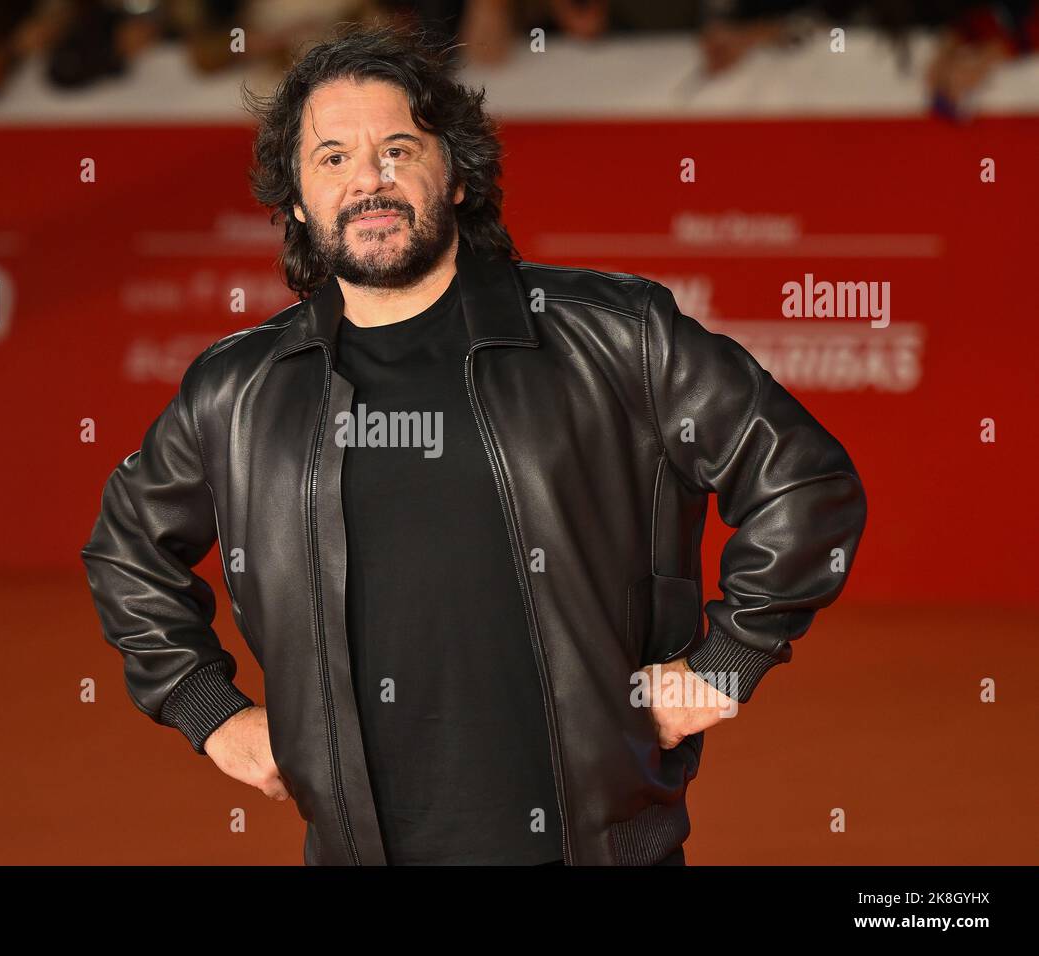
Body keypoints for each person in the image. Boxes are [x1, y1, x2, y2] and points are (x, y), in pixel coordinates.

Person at [80, 21, 867, 866]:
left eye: (398, 148)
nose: (369, 181)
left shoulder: (616, 337)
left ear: (454, 174)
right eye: (333, 158)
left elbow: (804, 481)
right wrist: (212, 712)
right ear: (299, 202)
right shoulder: (237, 390)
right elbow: (129, 551)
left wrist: (727, 660)